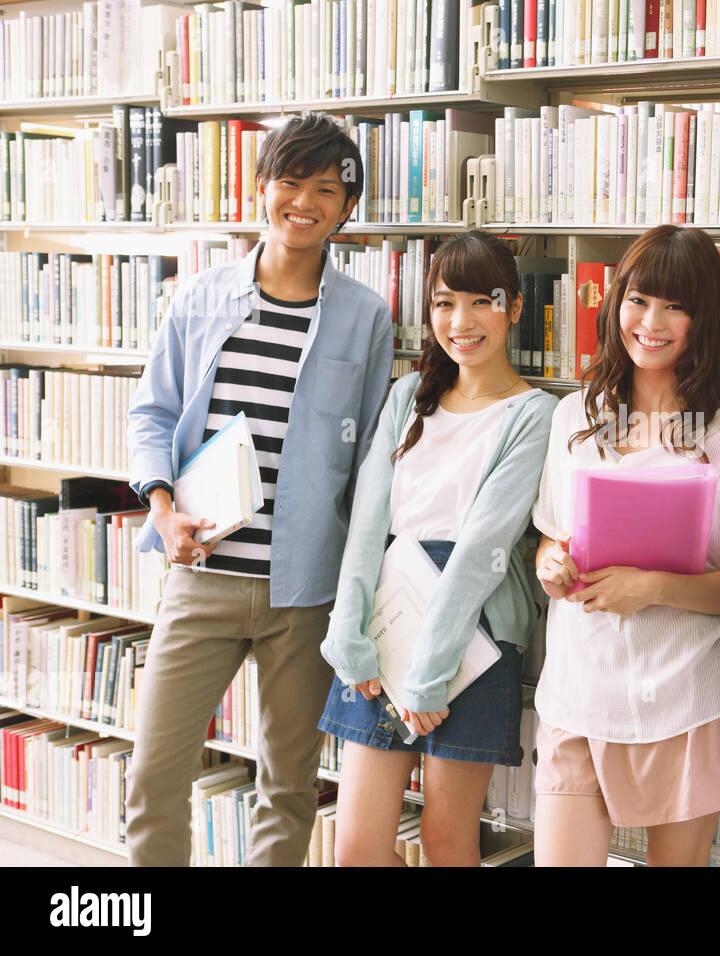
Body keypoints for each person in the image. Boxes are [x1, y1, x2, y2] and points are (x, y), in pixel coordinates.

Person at [125, 112, 394, 866]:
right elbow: (150, 412)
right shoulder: (200, 297)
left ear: (347, 208)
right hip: (202, 577)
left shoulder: (366, 318)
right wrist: (163, 507)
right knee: (153, 773)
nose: (304, 201)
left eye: (326, 189)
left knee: (289, 785)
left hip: (303, 594)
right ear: (261, 186)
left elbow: (374, 455)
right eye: (289, 181)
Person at [319, 230, 557, 866]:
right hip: (386, 621)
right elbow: (368, 519)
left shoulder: (536, 413)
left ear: (514, 307)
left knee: (447, 842)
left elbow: (484, 549)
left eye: (483, 301)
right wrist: (347, 629)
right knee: (358, 848)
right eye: (446, 302)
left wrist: (429, 674)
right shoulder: (408, 396)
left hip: (472, 634)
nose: (462, 321)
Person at [531, 224, 720, 867]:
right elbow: (548, 537)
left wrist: (652, 588)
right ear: (614, 301)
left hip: (683, 695)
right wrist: (551, 565)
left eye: (676, 306)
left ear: (704, 320)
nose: (652, 322)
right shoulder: (575, 417)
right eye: (639, 300)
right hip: (579, 689)